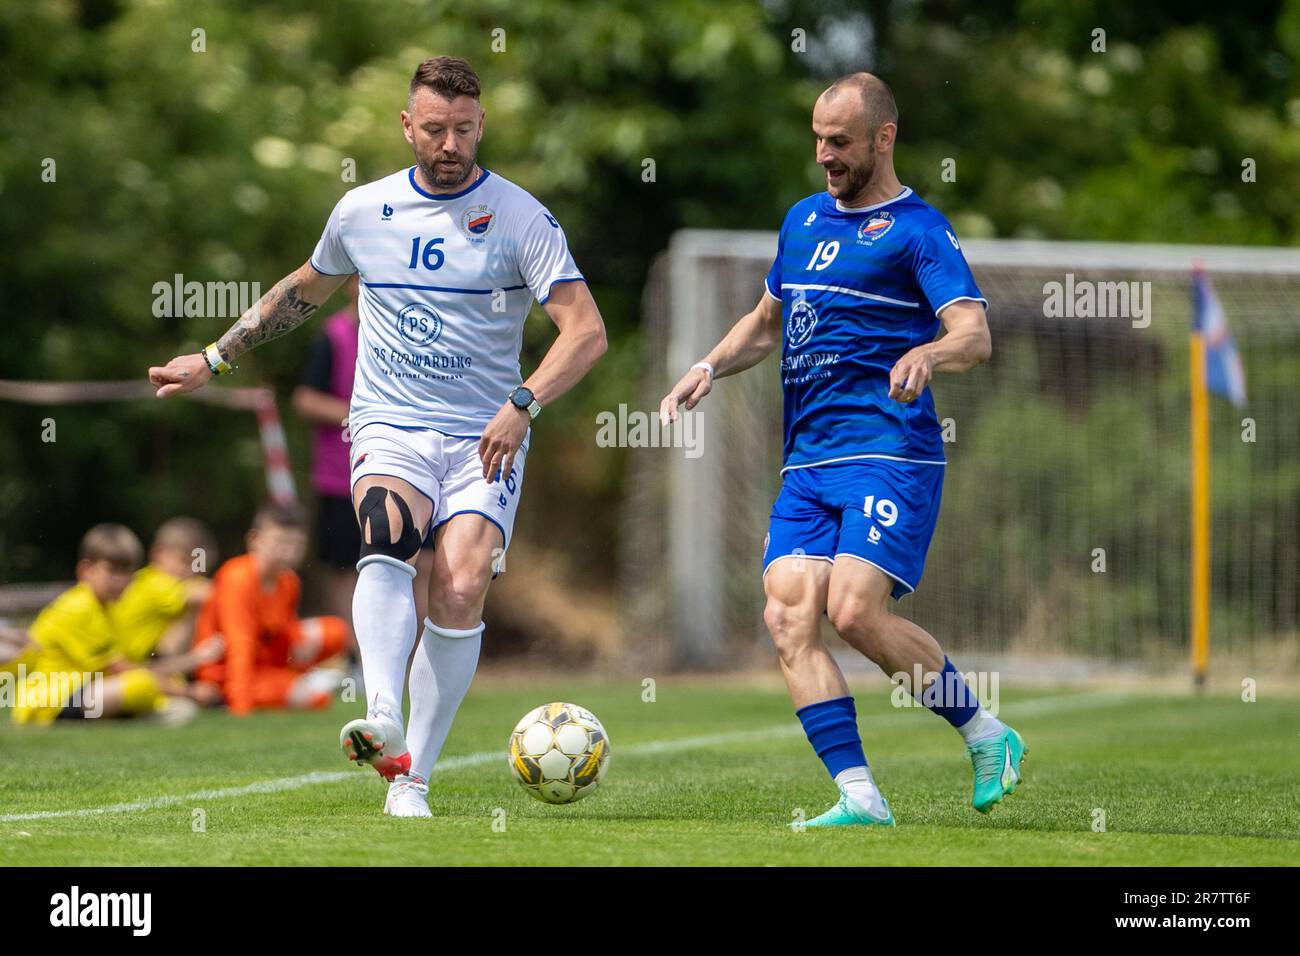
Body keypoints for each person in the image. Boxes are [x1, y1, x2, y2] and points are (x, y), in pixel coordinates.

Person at [149, 55, 607, 817]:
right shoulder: (364, 210)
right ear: (406, 126)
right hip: (390, 423)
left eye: (464, 129)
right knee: (386, 535)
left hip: (485, 436)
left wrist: (524, 402)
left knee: (460, 587)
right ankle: (383, 711)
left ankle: (411, 775)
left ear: (481, 123)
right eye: (434, 129)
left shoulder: (523, 218)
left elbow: (586, 332)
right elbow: (302, 291)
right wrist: (214, 357)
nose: (450, 143)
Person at [660, 73, 1025, 827]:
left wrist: (930, 354)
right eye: (819, 140)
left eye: (841, 142)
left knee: (854, 612)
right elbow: (767, 322)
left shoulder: (919, 229)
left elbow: (974, 334)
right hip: (808, 463)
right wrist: (705, 367)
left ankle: (987, 732)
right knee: (790, 618)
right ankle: (860, 797)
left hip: (889, 450)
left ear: (883, 139)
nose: (825, 155)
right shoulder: (801, 221)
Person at [291, 275, 437, 669]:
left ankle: (416, 661)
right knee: (345, 568)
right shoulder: (334, 336)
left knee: (418, 563)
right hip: (342, 475)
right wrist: (363, 418)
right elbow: (304, 398)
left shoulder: (414, 333)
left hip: (413, 471)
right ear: (350, 286)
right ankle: (358, 661)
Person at [10, 524, 204, 725]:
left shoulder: (110, 608)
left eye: (127, 572)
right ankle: (131, 715)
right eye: (112, 571)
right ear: (86, 570)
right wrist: (189, 691)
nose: (120, 580)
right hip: (48, 702)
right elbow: (119, 668)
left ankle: (130, 714)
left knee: (152, 687)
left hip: (86, 691)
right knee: (142, 685)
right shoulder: (78, 607)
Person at [191, 503, 348, 716]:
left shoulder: (289, 581)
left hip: (270, 660)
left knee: (336, 631)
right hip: (229, 672)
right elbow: (240, 644)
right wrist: (241, 706)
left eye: (296, 544)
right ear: (255, 540)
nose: (289, 551)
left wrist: (298, 640)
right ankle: (234, 696)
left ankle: (297, 678)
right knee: (315, 697)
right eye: (282, 542)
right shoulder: (237, 578)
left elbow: (288, 626)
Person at [113, 516, 217, 664]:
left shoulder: (151, 579)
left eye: (196, 566)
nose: (189, 571)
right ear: (159, 554)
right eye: (184, 561)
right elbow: (200, 592)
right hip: (134, 663)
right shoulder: (155, 582)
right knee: (192, 610)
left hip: (142, 658)